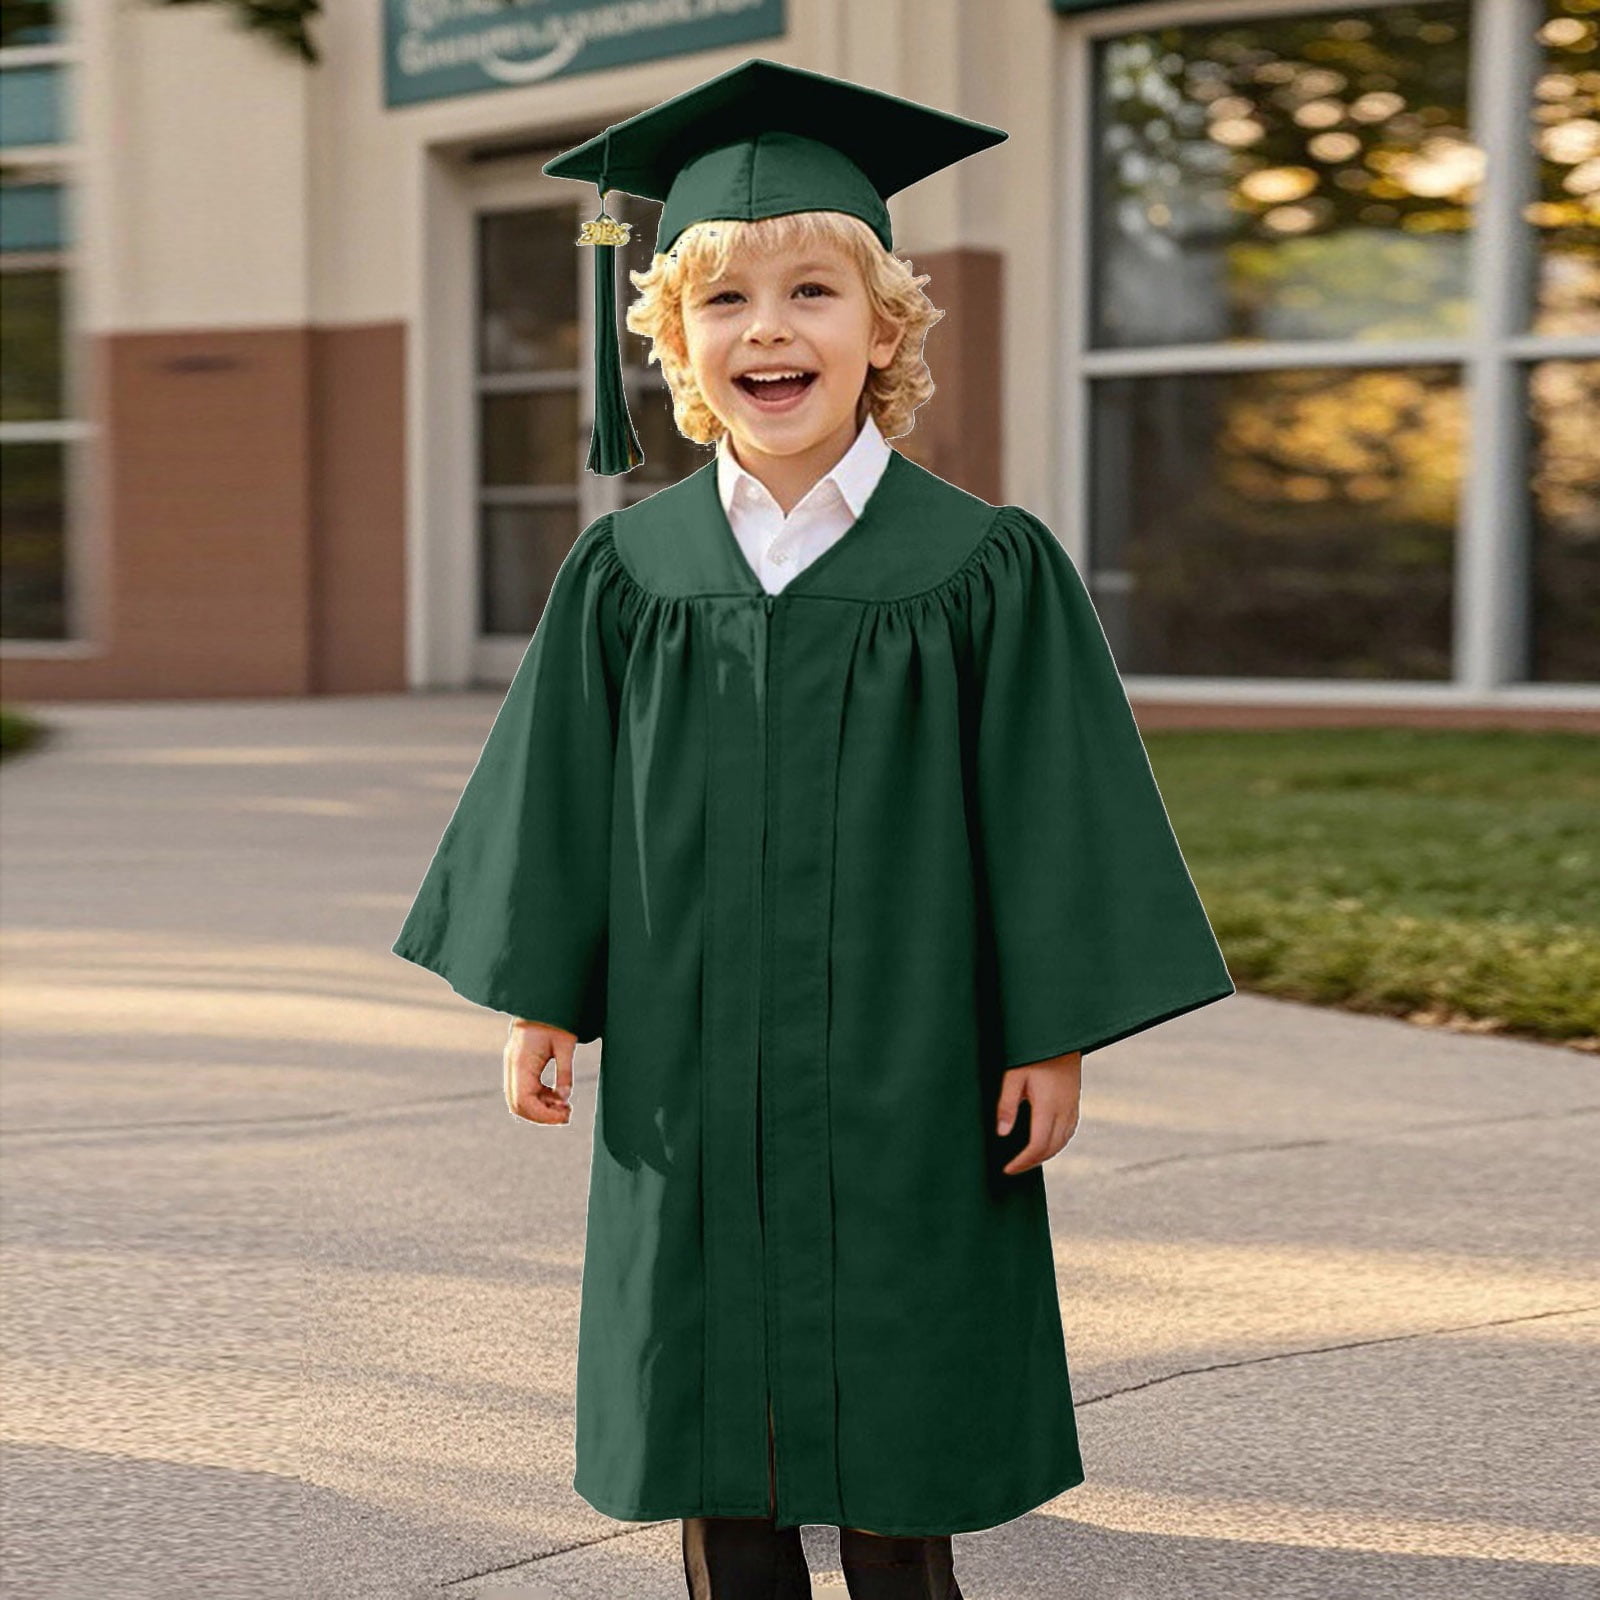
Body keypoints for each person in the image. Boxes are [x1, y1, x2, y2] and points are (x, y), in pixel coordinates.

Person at [392, 57, 1236, 1600]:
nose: (767, 330)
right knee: (712, 1407)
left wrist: (1051, 1034)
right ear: (667, 343)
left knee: (904, 1401)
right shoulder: (630, 573)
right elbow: (559, 792)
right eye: (722, 303)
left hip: (912, 1066)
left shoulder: (982, 564)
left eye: (812, 293)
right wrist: (541, 994)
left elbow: (1055, 808)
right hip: (693, 1062)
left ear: (887, 330)